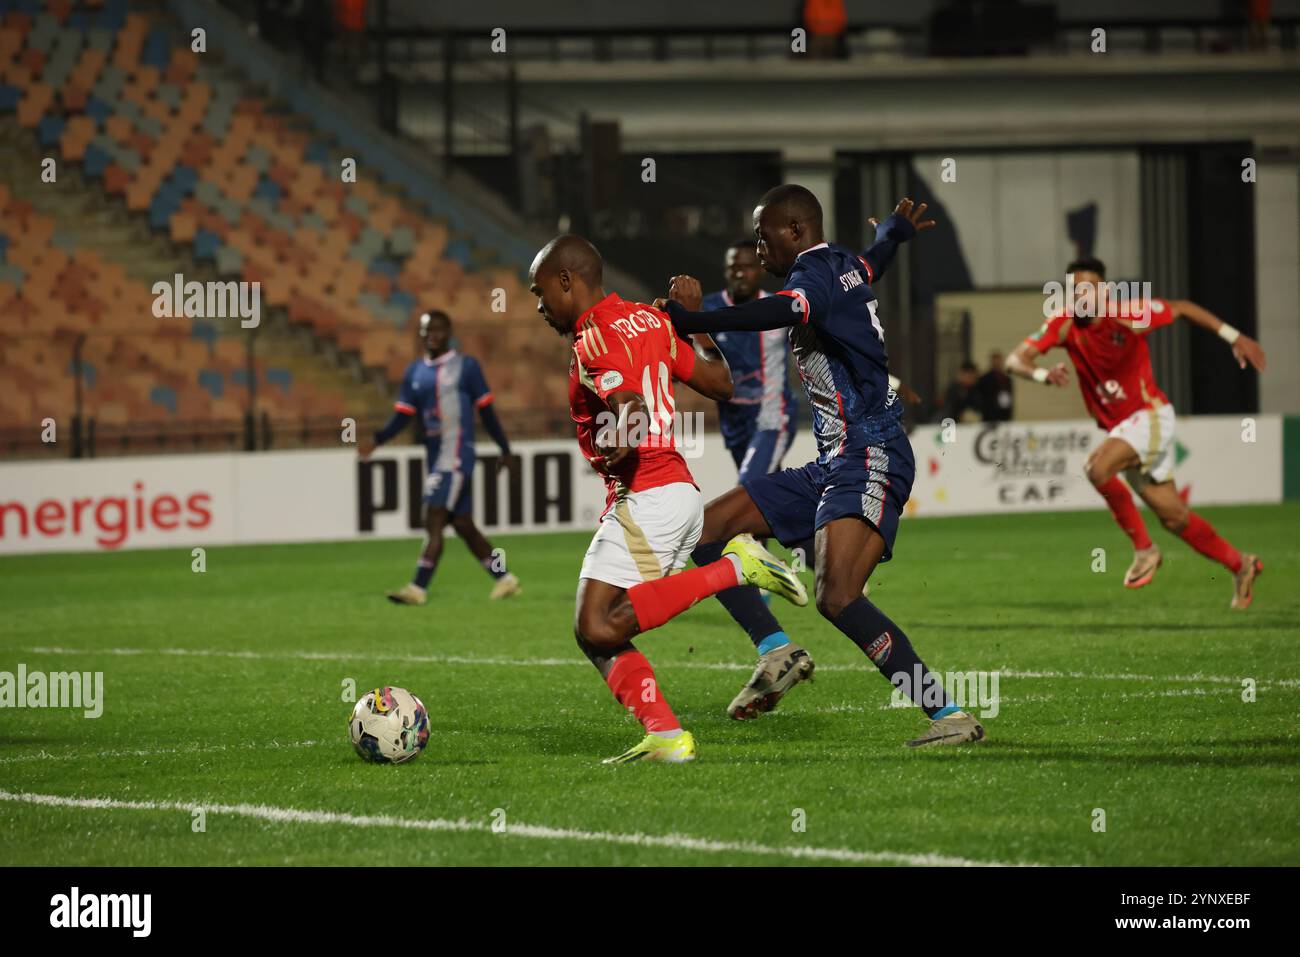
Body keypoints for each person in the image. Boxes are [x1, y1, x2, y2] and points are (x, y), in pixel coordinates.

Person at [663, 185, 986, 748]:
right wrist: (893, 236)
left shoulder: (810, 279)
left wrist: (694, 320)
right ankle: (776, 651)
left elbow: (782, 310)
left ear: (794, 231)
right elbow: (872, 262)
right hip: (831, 463)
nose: (759, 251)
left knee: (837, 596)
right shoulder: (842, 264)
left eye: (764, 238)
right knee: (706, 533)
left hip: (871, 454)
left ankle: (949, 714)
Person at [527, 234, 808, 765]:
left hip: (648, 492)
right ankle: (665, 734)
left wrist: (616, 444)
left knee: (595, 625)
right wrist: (692, 320)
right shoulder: (650, 319)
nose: (540, 307)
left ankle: (734, 568)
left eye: (541, 293)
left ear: (567, 280)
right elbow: (722, 382)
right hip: (677, 495)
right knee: (600, 628)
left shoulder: (592, 335)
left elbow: (629, 406)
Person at [1005, 256, 1266, 606]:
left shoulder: (1129, 315)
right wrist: (1041, 375)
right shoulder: (1063, 325)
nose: (1082, 296)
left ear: (1104, 291)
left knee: (1096, 468)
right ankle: (1241, 564)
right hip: (1123, 428)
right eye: (1075, 289)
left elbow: (1182, 307)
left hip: (1150, 415)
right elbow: (1014, 360)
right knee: (1173, 518)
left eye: (1090, 288)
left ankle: (1144, 550)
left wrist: (1235, 337)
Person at [358, 310, 521, 605]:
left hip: (456, 456)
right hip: (435, 459)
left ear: (449, 333)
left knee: (433, 517)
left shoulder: (466, 367)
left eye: (438, 330)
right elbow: (402, 416)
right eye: (426, 330)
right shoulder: (414, 373)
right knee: (462, 525)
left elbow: (487, 412)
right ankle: (504, 578)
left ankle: (418, 588)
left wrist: (505, 449)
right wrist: (377, 440)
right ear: (420, 335)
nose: (431, 335)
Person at [975, 350, 1014, 421]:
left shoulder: (1006, 379)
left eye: (999, 361)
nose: (997, 364)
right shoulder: (984, 379)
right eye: (995, 362)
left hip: (1004, 413)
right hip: (989, 415)